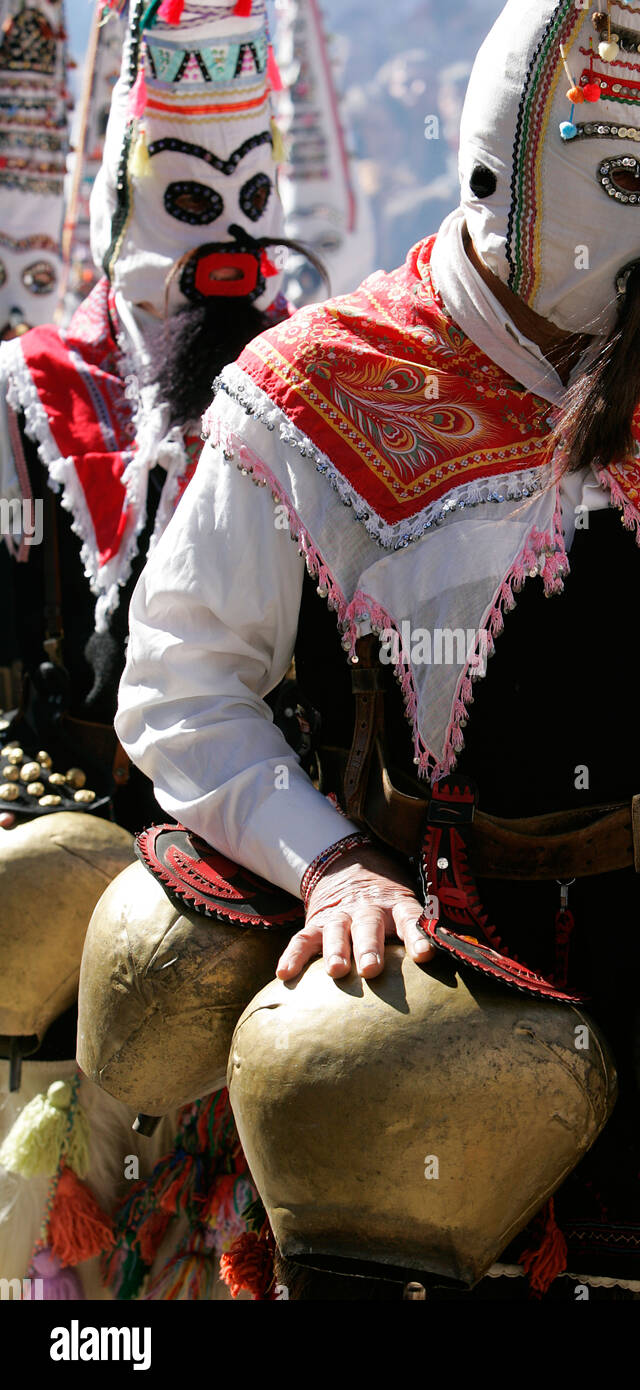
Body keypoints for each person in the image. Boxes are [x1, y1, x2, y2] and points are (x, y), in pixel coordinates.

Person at [114, 0, 640, 1298]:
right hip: (431, 962)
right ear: (499, 168)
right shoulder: (320, 385)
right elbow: (181, 686)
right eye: (621, 174)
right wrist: (332, 865)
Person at [0, 0, 317, 1297]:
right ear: (128, 199)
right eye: (194, 199)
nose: (230, 243)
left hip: (265, 861)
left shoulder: (313, 382)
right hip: (71, 866)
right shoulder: (33, 387)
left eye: (254, 199)